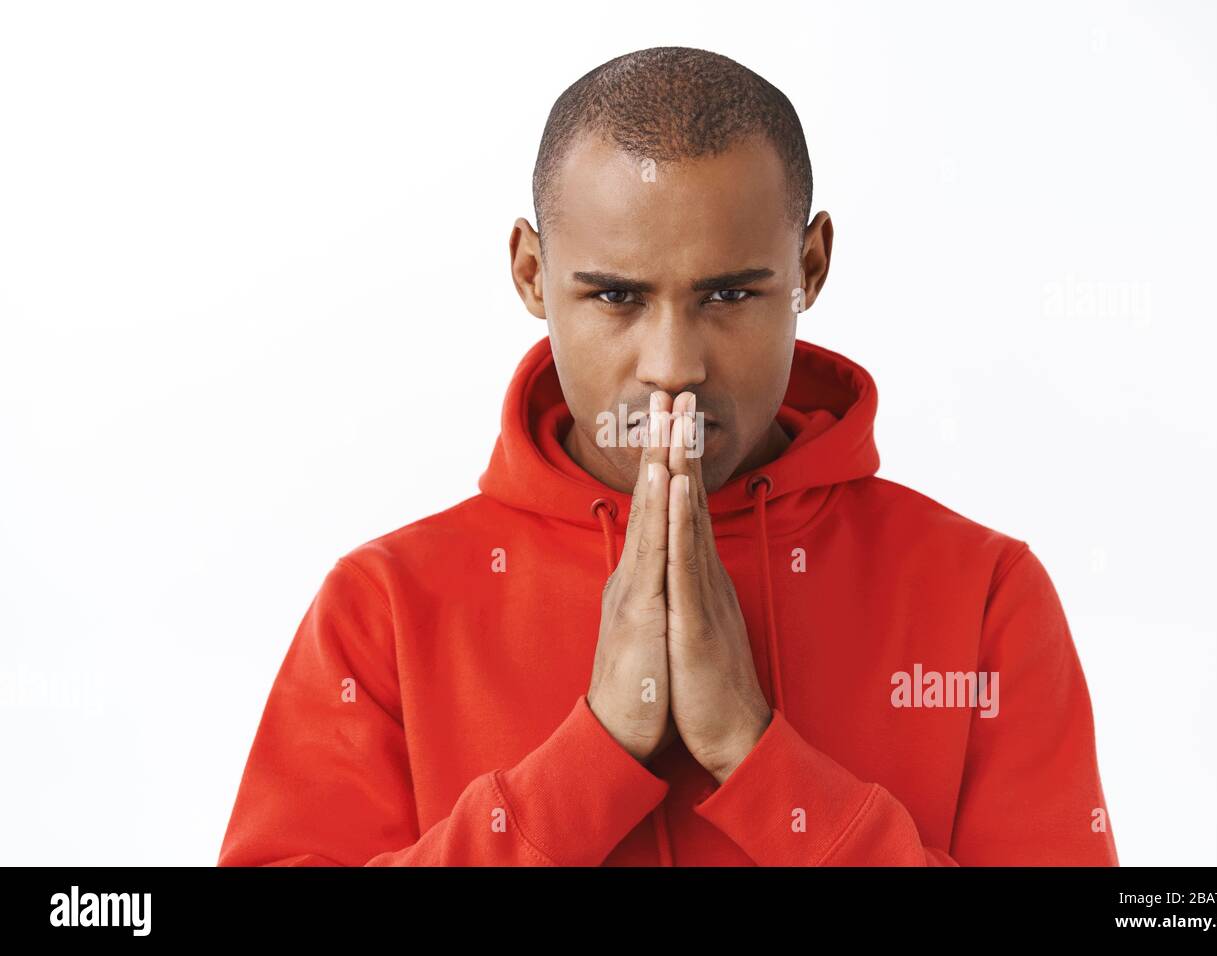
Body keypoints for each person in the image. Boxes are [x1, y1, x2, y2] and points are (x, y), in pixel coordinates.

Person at [217, 46, 1119, 867]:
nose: (673, 367)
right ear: (532, 273)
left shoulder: (986, 593)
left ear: (810, 265)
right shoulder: (381, 606)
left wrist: (757, 758)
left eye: (729, 293)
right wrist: (592, 755)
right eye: (615, 296)